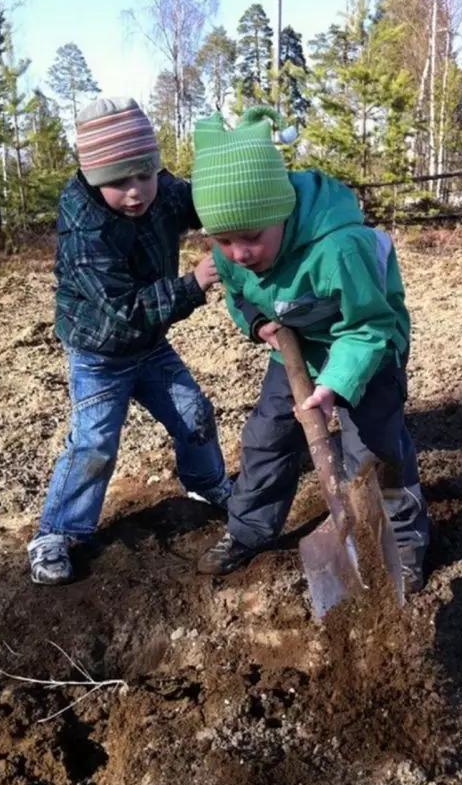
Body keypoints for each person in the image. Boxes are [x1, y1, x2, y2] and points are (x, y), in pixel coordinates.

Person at [190, 105, 429, 593]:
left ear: (281, 211)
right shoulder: (231, 249)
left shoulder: (339, 247)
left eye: (251, 238)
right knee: (267, 438)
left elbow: (369, 325)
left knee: (373, 453)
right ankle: (249, 528)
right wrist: (256, 322)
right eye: (224, 240)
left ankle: (403, 546)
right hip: (295, 347)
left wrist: (335, 385)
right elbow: (240, 294)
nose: (239, 253)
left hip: (367, 349)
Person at [27, 97, 232, 585]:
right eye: (120, 182)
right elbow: (124, 309)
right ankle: (56, 533)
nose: (137, 192)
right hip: (98, 354)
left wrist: (239, 189)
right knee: (95, 444)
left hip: (149, 345)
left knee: (194, 413)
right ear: (96, 179)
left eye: (146, 175)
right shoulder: (86, 229)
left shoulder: (160, 192)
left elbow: (199, 199)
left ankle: (209, 485)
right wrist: (195, 282)